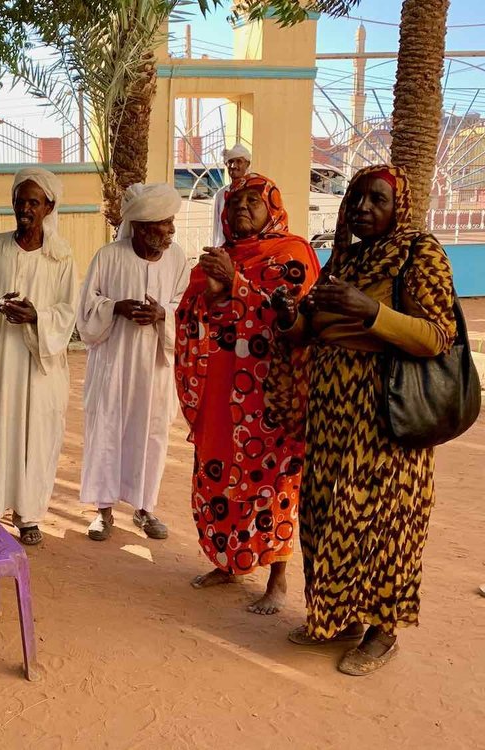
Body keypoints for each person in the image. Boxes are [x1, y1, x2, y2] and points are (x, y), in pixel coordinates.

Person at [276, 165, 457, 675]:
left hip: (387, 416)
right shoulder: (346, 259)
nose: (363, 208)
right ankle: (341, 620)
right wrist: (291, 316)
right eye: (356, 198)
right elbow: (309, 331)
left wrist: (370, 312)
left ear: (400, 205)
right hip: (333, 413)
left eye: (376, 199)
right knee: (329, 515)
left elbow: (437, 336)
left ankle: (383, 631)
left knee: (384, 522)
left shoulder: (420, 253)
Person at [175, 174, 319, 615]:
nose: (241, 209)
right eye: (235, 202)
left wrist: (235, 285)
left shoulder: (292, 255)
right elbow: (188, 315)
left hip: (269, 394)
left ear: (273, 208)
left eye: (253, 201)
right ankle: (227, 561)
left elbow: (294, 318)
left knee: (272, 479)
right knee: (216, 472)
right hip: (219, 390)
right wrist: (214, 294)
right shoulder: (215, 260)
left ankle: (277, 579)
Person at [0, 167, 78, 546]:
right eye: (19, 200)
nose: (24, 208)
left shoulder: (61, 256)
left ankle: (29, 515)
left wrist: (36, 316)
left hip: (39, 365)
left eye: (33, 202)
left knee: (36, 435)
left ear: (49, 207)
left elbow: (67, 311)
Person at [78, 183, 191, 542]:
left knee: (151, 434)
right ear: (141, 226)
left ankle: (145, 509)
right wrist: (115, 307)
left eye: (171, 222)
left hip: (155, 367)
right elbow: (86, 307)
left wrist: (163, 314)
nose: (171, 230)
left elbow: (185, 308)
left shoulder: (177, 259)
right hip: (113, 363)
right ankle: (103, 511)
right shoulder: (109, 256)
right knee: (107, 430)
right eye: (164, 223)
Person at [211, 144, 252, 246]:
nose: (234, 166)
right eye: (230, 162)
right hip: (225, 248)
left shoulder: (254, 190)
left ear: (247, 164)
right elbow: (217, 226)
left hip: (248, 247)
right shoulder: (221, 194)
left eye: (239, 161)